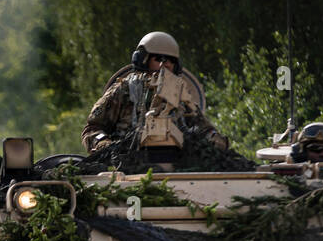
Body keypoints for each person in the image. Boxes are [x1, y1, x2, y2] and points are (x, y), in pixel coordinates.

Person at [81, 31, 229, 154]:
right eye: (158, 59)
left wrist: (213, 139)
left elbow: (205, 130)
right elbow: (92, 129)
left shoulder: (181, 95)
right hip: (125, 162)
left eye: (169, 60)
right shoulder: (123, 91)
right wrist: (103, 143)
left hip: (179, 166)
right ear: (142, 60)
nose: (164, 65)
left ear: (176, 65)